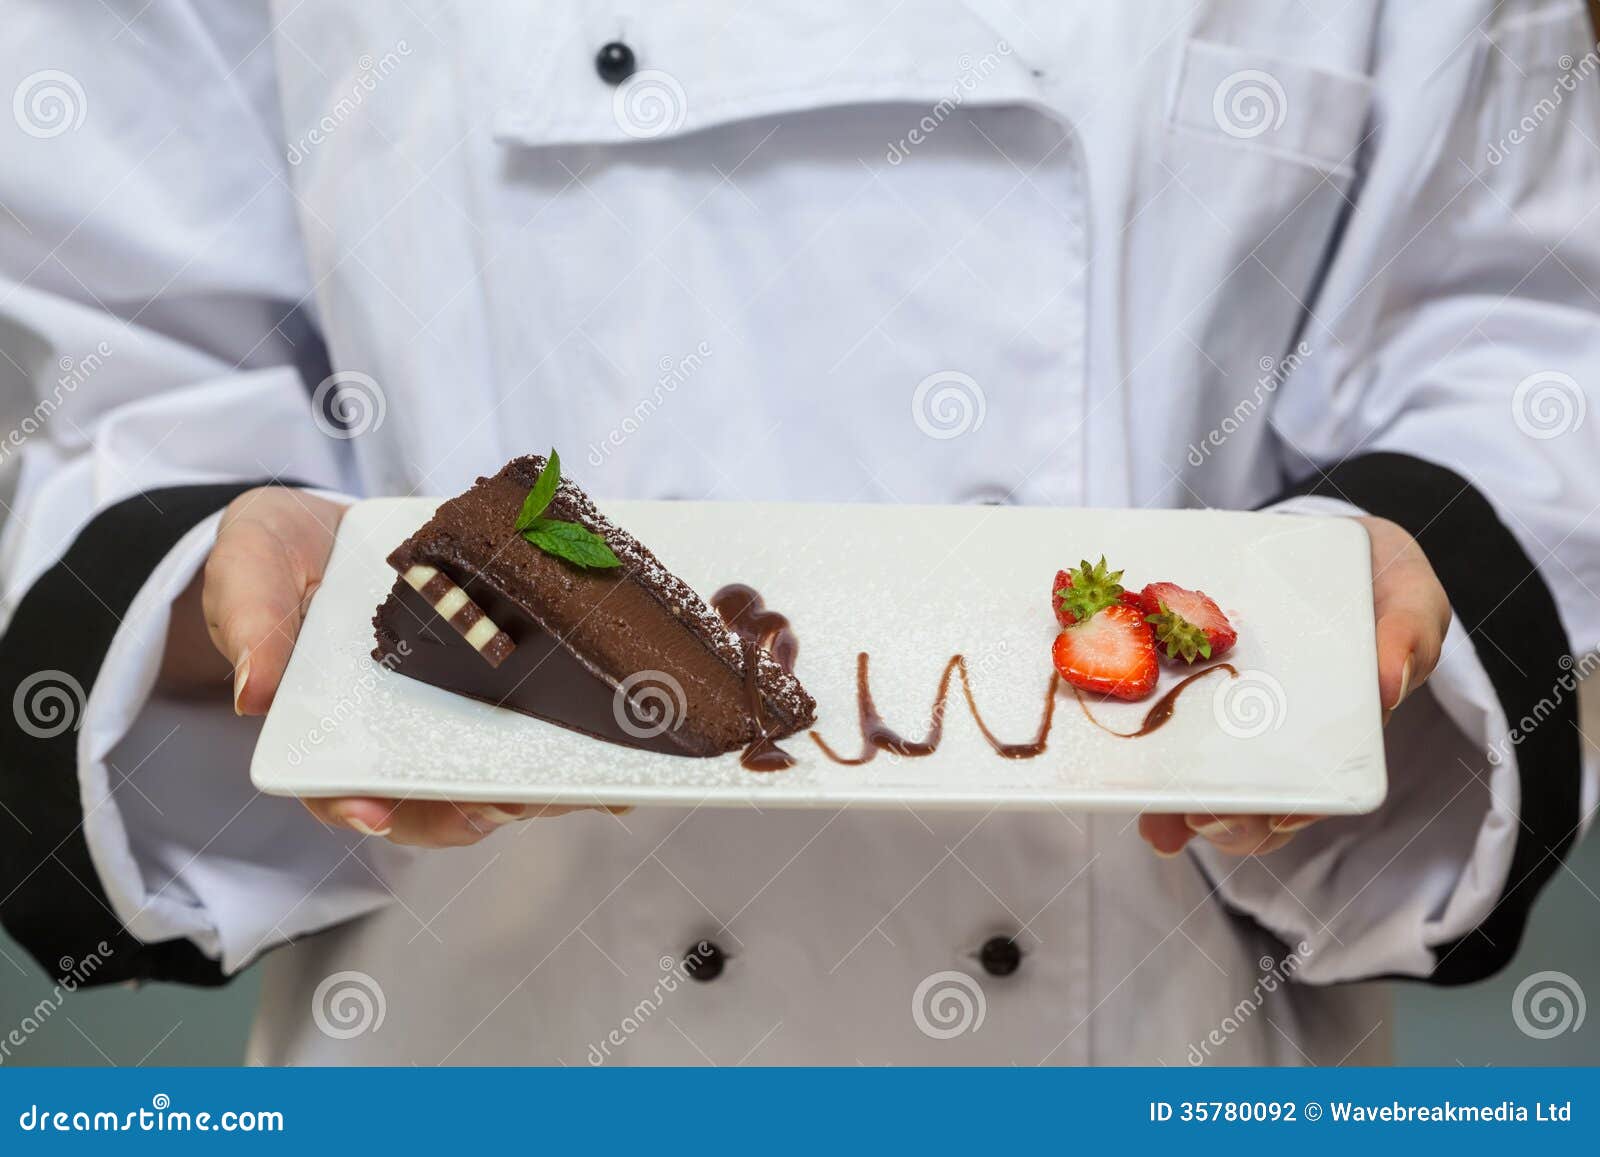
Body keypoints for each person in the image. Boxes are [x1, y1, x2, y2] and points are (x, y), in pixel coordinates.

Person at [1, 1, 1595, 1065]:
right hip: (490, 1041)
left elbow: (1517, 353)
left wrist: (1394, 601)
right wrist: (241, 613)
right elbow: (143, 364)